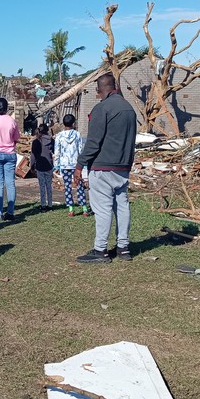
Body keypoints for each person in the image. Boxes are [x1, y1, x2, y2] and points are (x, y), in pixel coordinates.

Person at [74, 73, 137, 263]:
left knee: (102, 209)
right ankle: (123, 248)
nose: (98, 95)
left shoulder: (102, 108)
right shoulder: (129, 108)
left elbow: (93, 142)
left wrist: (79, 165)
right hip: (123, 167)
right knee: (122, 206)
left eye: (98, 92)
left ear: (101, 90)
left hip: (103, 167)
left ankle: (100, 250)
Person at [54, 114, 91, 217]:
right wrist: (82, 164)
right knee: (79, 185)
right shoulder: (77, 134)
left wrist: (56, 166)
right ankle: (84, 208)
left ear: (63, 123)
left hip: (65, 165)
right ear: (73, 123)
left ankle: (71, 208)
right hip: (76, 165)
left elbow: (57, 152)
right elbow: (80, 150)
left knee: (67, 186)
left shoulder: (59, 136)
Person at [31, 123, 55, 211]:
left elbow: (33, 155)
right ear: (47, 130)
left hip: (40, 166)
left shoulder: (36, 141)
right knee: (49, 185)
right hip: (49, 165)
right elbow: (55, 151)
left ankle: (43, 205)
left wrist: (32, 166)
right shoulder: (51, 140)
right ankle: (50, 205)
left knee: (42, 186)